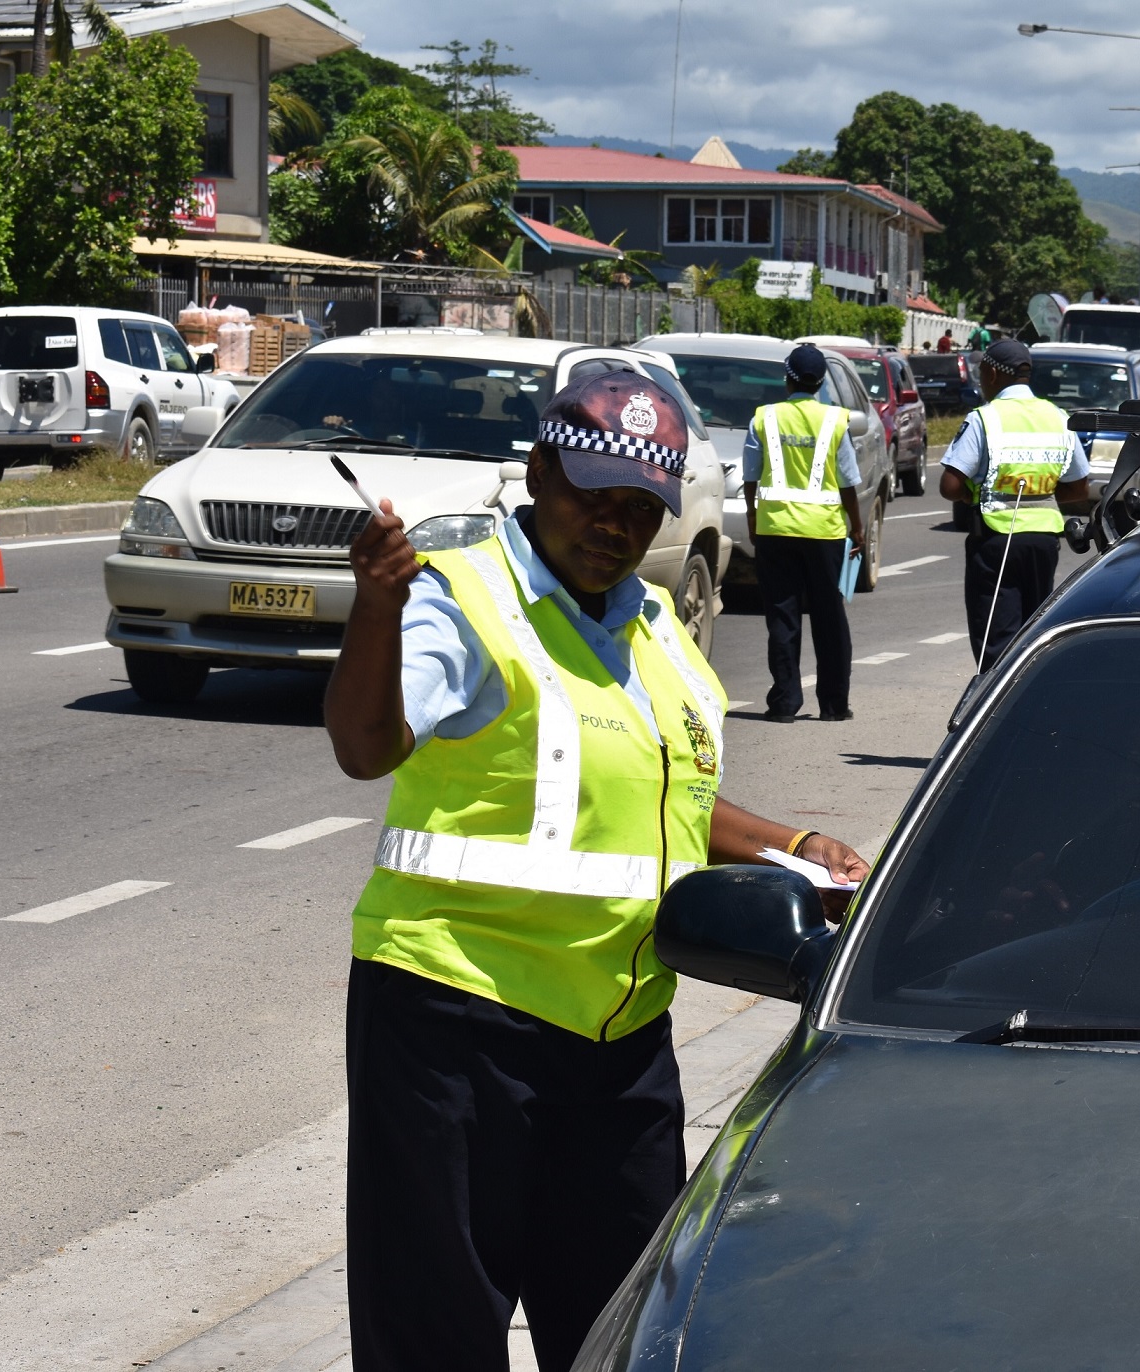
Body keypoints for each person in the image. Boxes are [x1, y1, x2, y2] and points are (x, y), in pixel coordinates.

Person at [326, 370, 870, 1372]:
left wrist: (788, 846)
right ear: (539, 473)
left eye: (636, 508)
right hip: (454, 1024)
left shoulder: (655, 627)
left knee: (630, 1336)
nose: (610, 526)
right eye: (589, 496)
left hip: (617, 1041)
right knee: (436, 1341)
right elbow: (365, 744)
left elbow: (670, 804)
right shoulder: (466, 599)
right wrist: (377, 607)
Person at [937, 339, 1094, 670]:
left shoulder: (985, 418)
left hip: (996, 538)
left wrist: (972, 494)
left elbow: (950, 486)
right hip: (1044, 541)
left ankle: (992, 711)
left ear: (992, 374)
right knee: (1033, 635)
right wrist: (1043, 492)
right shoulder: (1058, 417)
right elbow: (1079, 487)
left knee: (996, 638)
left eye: (981, 373)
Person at [741, 343, 865, 723]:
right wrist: (857, 528)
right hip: (824, 533)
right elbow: (848, 482)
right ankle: (833, 705)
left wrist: (753, 517)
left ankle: (784, 703)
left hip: (775, 529)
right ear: (822, 382)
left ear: (787, 378)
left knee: (783, 616)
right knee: (830, 618)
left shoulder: (764, 418)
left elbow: (750, 477)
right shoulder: (834, 420)